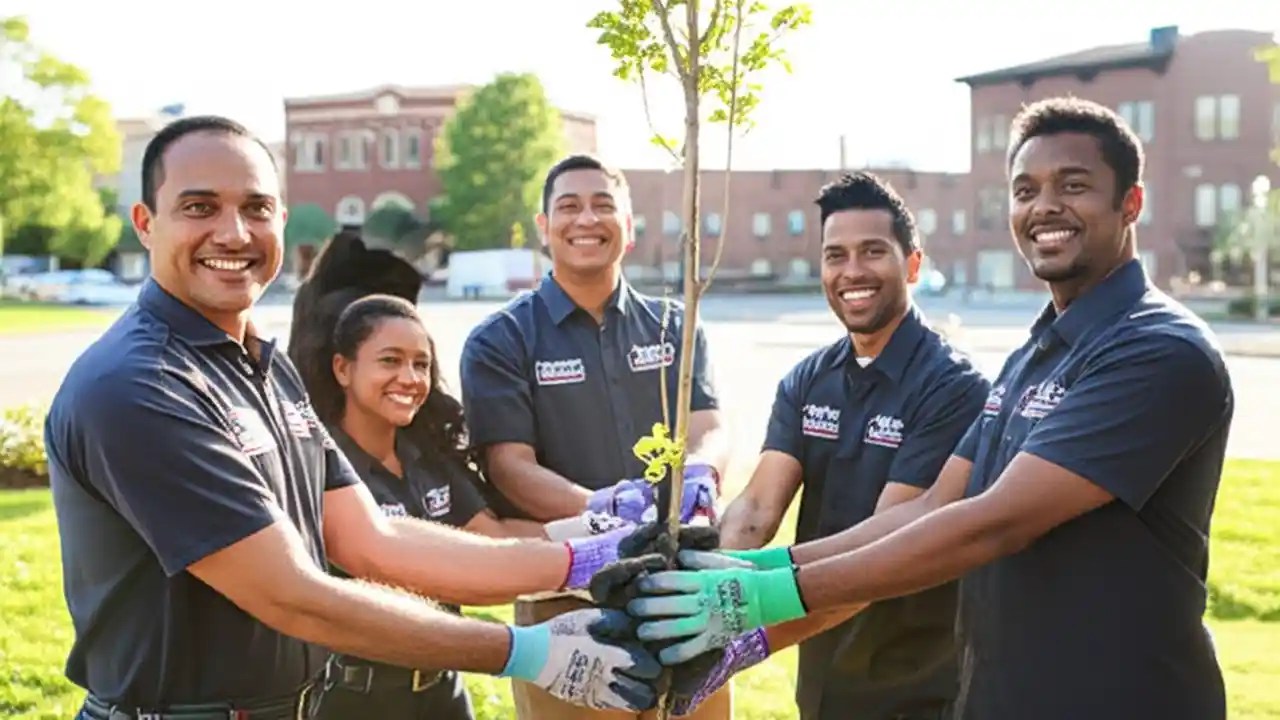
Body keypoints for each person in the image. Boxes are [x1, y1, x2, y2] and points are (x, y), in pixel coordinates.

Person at [622, 97, 1235, 720]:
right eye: (1025, 190)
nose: (1044, 206)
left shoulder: (1157, 350)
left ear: (1130, 203)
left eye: (1073, 186)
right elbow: (933, 506)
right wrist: (731, 569)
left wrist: (759, 599)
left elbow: (995, 521)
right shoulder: (1037, 352)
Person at [43, 115, 662, 720]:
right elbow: (296, 598)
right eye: (199, 208)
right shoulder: (140, 386)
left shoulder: (265, 367)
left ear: (282, 221)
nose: (234, 233)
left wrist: (586, 556)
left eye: (257, 208)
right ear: (146, 224)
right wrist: (527, 652)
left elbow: (374, 540)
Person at [704, 172, 989, 720]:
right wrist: (702, 572)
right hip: (824, 677)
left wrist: (746, 626)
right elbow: (758, 508)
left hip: (918, 683)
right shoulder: (808, 379)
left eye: (872, 252)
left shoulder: (953, 388)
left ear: (912, 264)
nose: (852, 271)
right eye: (835, 255)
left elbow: (889, 545)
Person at [459, 154, 731, 719]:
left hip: (683, 590)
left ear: (629, 228)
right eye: (569, 206)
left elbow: (708, 424)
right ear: (544, 228)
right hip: (568, 600)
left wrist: (702, 470)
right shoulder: (501, 341)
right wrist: (603, 515)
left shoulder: (674, 325)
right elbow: (509, 466)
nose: (587, 219)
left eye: (604, 205)